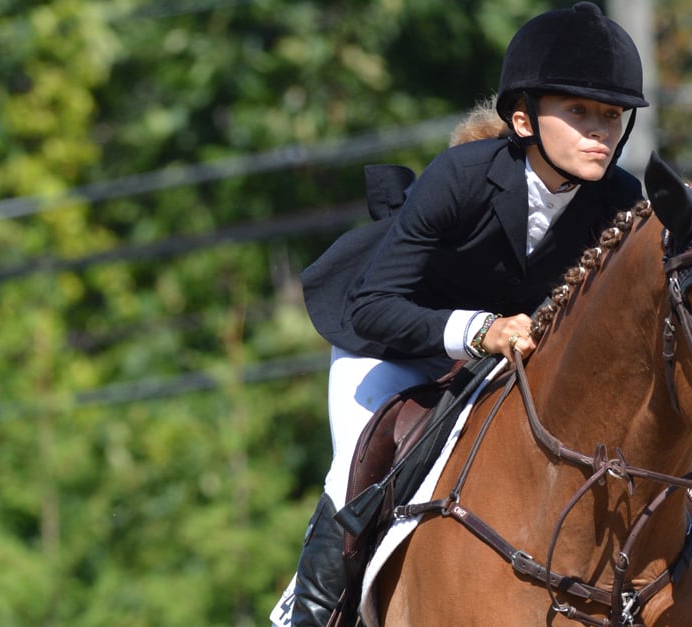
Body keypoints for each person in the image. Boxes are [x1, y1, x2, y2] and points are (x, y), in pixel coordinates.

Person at [271, 3, 649, 625]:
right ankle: (308, 614)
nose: (598, 131)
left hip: (505, 356)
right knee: (359, 472)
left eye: (611, 115)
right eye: (578, 111)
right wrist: (477, 330)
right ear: (523, 118)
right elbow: (374, 306)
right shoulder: (461, 177)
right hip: (389, 340)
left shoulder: (620, 200)